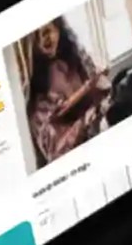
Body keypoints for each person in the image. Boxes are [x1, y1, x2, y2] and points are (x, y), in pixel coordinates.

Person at [25, 17, 112, 166]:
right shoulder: (40, 93)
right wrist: (86, 119)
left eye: (46, 32)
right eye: (36, 37)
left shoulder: (75, 58)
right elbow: (54, 150)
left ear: (58, 29)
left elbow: (101, 88)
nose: (42, 40)